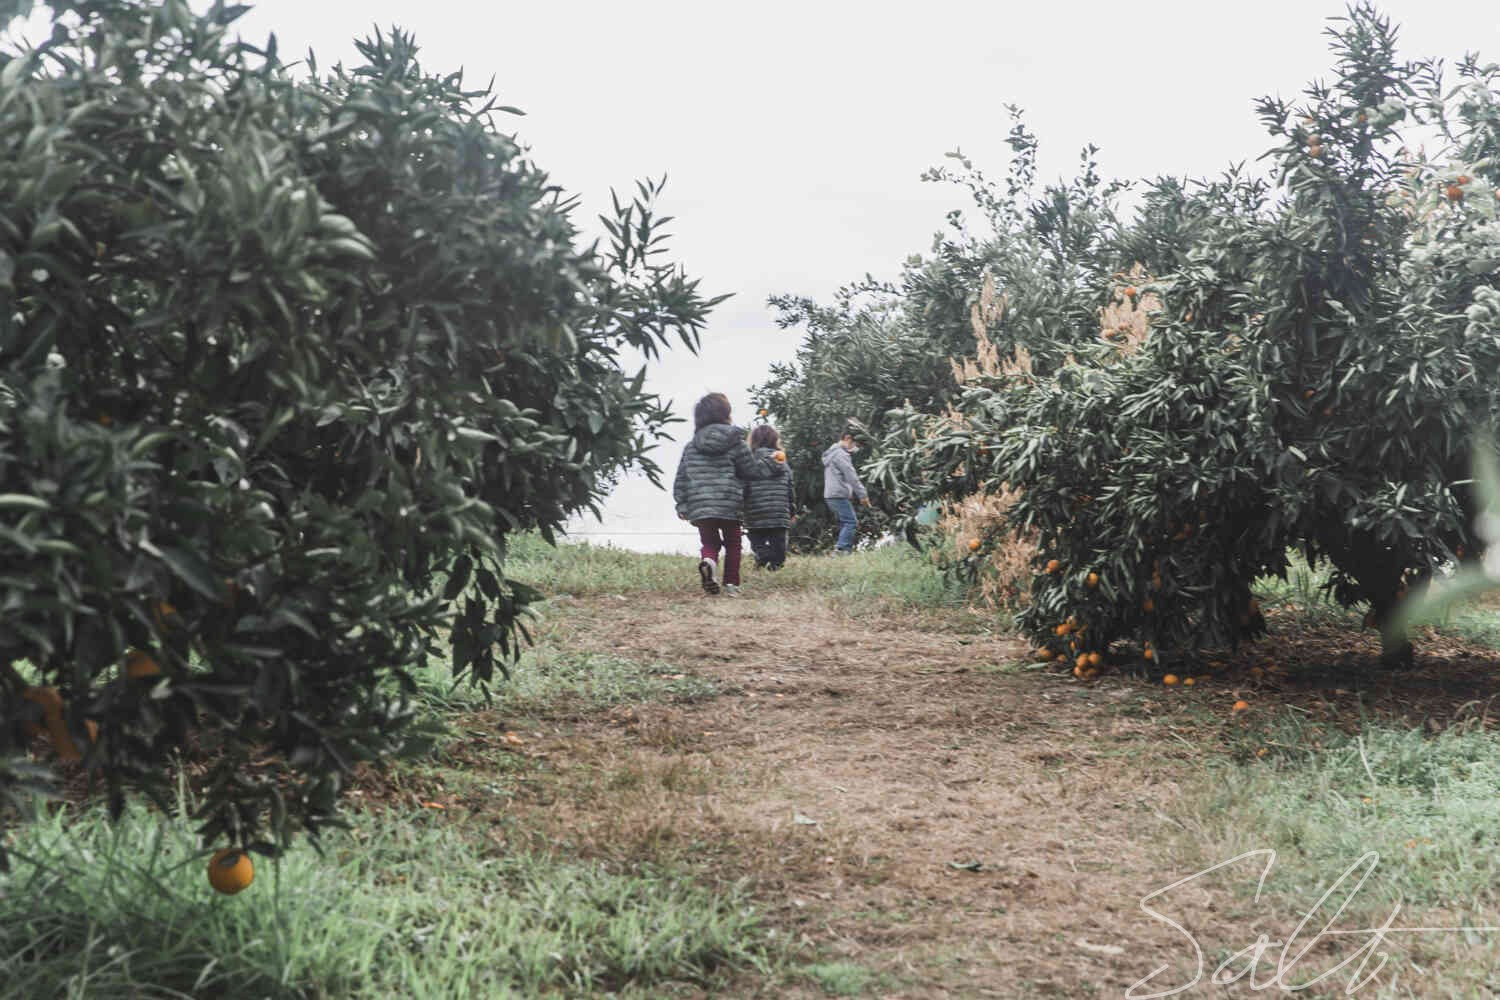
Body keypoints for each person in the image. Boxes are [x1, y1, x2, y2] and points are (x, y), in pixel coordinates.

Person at [673, 393, 785, 596]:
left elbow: (681, 478)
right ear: (726, 414)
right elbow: (751, 471)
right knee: (733, 543)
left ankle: (709, 563)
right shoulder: (735, 442)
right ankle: (731, 584)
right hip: (729, 503)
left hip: (700, 506)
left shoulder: (691, 447)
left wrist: (682, 504)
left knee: (709, 543)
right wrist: (772, 462)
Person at [744, 424, 794, 570]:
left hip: (754, 511)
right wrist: (792, 509)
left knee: (757, 540)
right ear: (775, 440)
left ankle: (762, 555)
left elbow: (743, 485)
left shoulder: (748, 460)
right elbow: (790, 487)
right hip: (778, 511)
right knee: (779, 545)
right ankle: (775, 566)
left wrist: (741, 508)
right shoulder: (782, 461)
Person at [822, 424, 869, 554]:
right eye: (856, 445)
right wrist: (863, 495)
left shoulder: (832, 452)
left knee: (845, 522)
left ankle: (843, 550)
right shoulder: (840, 454)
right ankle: (841, 550)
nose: (856, 449)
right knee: (851, 521)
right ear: (848, 438)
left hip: (831, 494)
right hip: (837, 494)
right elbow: (852, 477)